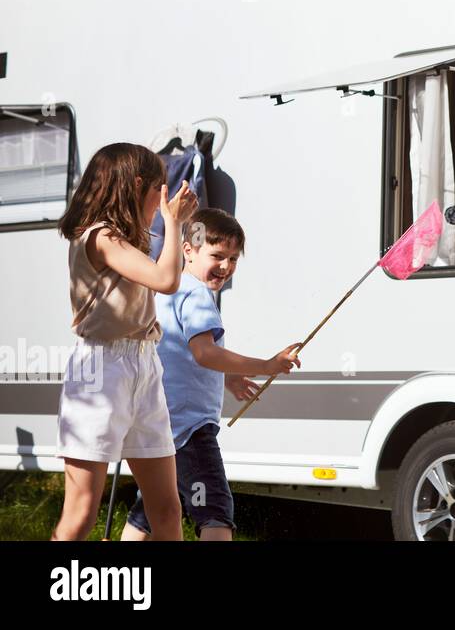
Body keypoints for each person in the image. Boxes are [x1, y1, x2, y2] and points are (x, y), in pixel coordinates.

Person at [121, 207, 302, 541]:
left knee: (150, 510)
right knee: (215, 512)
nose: (226, 266)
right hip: (190, 430)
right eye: (217, 255)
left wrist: (228, 378)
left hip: (160, 425)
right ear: (188, 250)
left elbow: (178, 356)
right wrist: (267, 365)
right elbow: (204, 353)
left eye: (233, 259)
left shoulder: (165, 291)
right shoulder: (197, 294)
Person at [52, 143, 199, 541]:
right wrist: (174, 224)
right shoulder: (99, 237)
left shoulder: (126, 240)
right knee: (81, 512)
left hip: (143, 365)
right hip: (102, 369)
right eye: (159, 189)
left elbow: (166, 273)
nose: (162, 199)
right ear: (137, 186)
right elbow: (166, 280)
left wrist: (171, 225)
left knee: (167, 508)